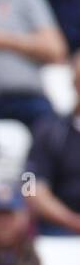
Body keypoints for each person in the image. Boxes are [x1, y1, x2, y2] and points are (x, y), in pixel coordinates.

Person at [24, 52, 80, 235]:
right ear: (74, 82)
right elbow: (29, 185)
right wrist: (71, 221)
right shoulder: (48, 130)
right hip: (59, 226)